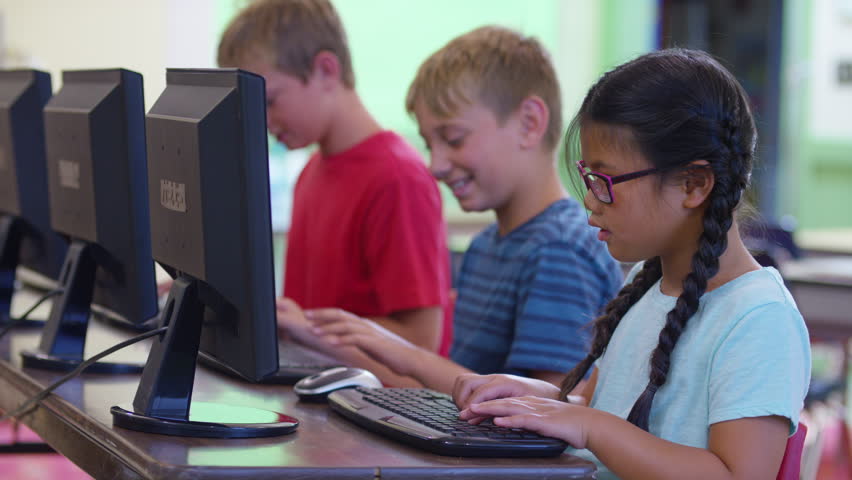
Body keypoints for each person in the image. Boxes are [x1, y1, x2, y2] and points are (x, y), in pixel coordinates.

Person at [453, 48, 811, 479]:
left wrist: (589, 425)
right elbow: (609, 414)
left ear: (693, 183)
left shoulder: (759, 317)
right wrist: (541, 400)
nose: (589, 199)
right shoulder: (650, 286)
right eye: (587, 178)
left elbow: (736, 475)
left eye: (603, 181)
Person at [307, 26, 622, 393]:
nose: (435, 165)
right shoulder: (486, 245)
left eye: (453, 139)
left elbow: (546, 412)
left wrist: (408, 354)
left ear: (529, 123)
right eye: (428, 144)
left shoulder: (559, 250)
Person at [216, 0, 452, 367]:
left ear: (326, 70)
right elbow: (301, 320)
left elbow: (422, 340)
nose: (261, 120)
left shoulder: (397, 178)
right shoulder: (311, 171)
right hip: (312, 385)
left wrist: (310, 329)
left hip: (369, 402)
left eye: (270, 101)